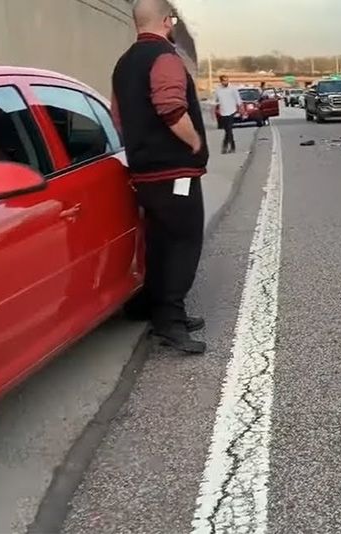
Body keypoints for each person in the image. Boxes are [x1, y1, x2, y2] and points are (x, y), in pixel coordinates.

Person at [111, 0, 209, 354]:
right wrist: (195, 141)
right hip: (175, 172)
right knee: (183, 243)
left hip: (144, 173)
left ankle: (157, 310)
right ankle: (171, 321)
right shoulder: (164, 57)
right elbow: (171, 108)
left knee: (159, 242)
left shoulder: (123, 64)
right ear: (168, 21)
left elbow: (117, 117)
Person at [214, 75, 243, 154]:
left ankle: (229, 147)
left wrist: (241, 109)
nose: (226, 82)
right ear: (221, 81)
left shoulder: (233, 88)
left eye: (227, 80)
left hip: (231, 111)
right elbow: (215, 100)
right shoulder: (218, 89)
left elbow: (238, 99)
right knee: (227, 130)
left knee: (229, 129)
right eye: (224, 81)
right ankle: (227, 146)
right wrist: (215, 109)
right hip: (223, 112)